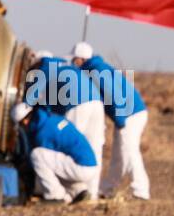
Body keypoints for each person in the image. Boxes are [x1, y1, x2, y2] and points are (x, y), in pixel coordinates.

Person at [76, 45, 150, 200]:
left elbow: (113, 95)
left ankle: (141, 190)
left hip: (130, 114)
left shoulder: (96, 71)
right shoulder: (94, 68)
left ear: (80, 59)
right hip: (128, 114)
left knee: (130, 151)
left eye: (74, 59)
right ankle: (108, 188)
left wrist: (120, 120)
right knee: (119, 154)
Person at [12, 99, 100, 203]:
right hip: (89, 165)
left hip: (81, 167)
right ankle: (79, 191)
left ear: (25, 121)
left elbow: (40, 166)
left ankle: (55, 195)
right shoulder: (50, 119)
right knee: (54, 164)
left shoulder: (43, 133)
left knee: (37, 156)